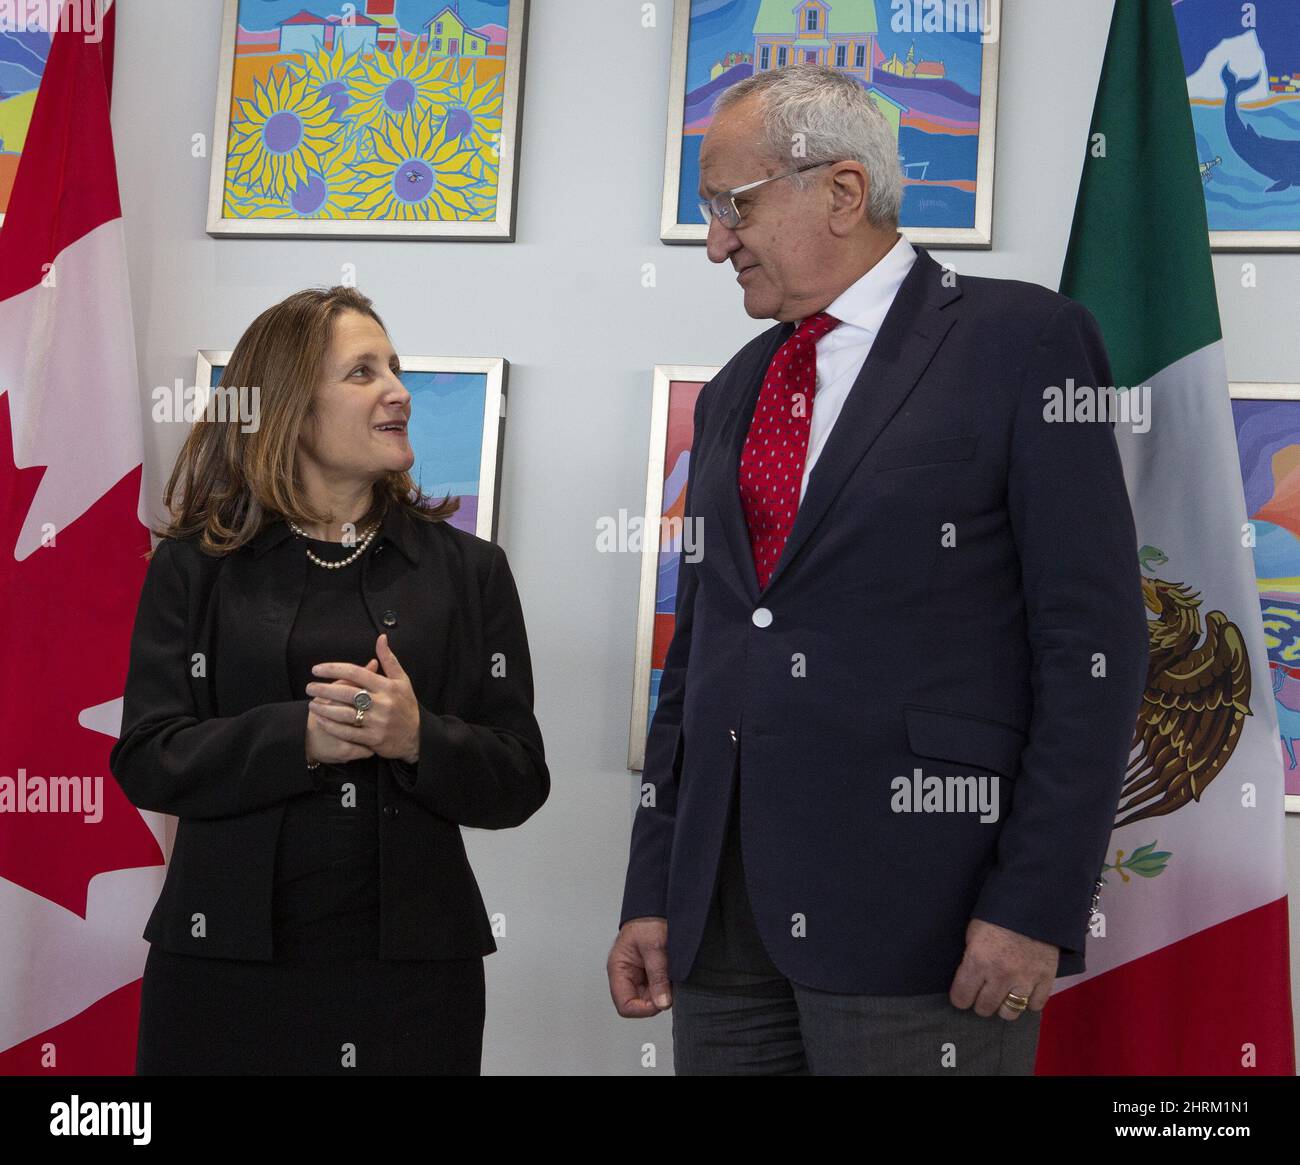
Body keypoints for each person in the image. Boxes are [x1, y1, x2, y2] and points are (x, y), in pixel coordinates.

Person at [607, 64, 1149, 1075]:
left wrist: (1034, 901)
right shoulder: (735, 388)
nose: (717, 240)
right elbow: (700, 658)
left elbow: (1093, 645)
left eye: (733, 205)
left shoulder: (1022, 341)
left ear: (842, 192)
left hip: (930, 922)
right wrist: (654, 888)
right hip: (722, 928)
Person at [110, 286, 548, 1075]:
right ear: (289, 407)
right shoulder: (192, 566)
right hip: (222, 970)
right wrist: (299, 736)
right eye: (362, 372)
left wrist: (419, 738)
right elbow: (147, 755)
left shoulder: (470, 572)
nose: (399, 390)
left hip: (411, 985)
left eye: (397, 368)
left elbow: (518, 777)